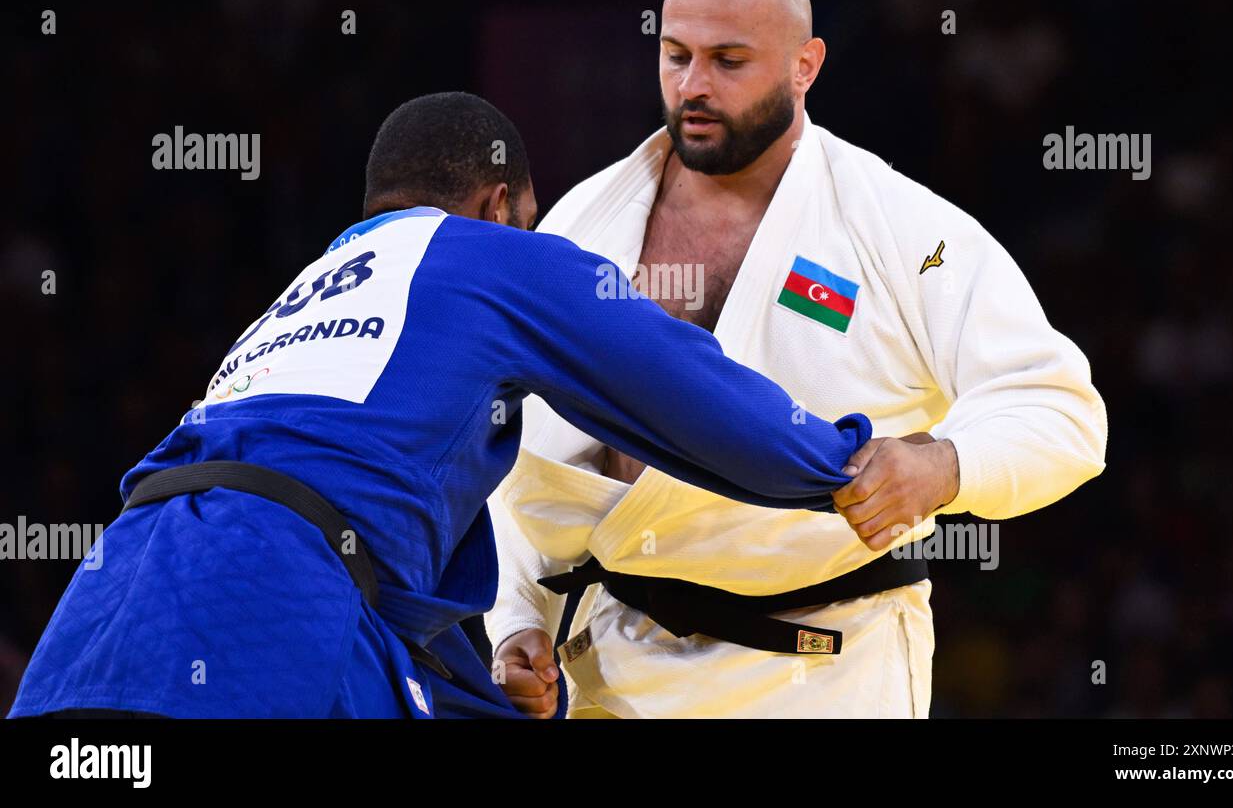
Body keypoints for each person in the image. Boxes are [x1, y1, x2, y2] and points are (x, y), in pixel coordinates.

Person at [7, 92, 875, 719]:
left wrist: (495, 676)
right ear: (501, 205)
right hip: (253, 607)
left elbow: (366, 558)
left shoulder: (301, 293)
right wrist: (854, 466)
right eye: (528, 221)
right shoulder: (489, 256)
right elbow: (691, 390)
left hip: (98, 612)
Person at [485, 0, 1108, 719]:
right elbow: (518, 462)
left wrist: (944, 467)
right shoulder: (586, 220)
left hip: (823, 674)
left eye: (729, 61)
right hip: (614, 663)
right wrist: (515, 620)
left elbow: (1063, 413)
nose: (693, 87)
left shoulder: (898, 225)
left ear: (805, 66)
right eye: (675, 56)